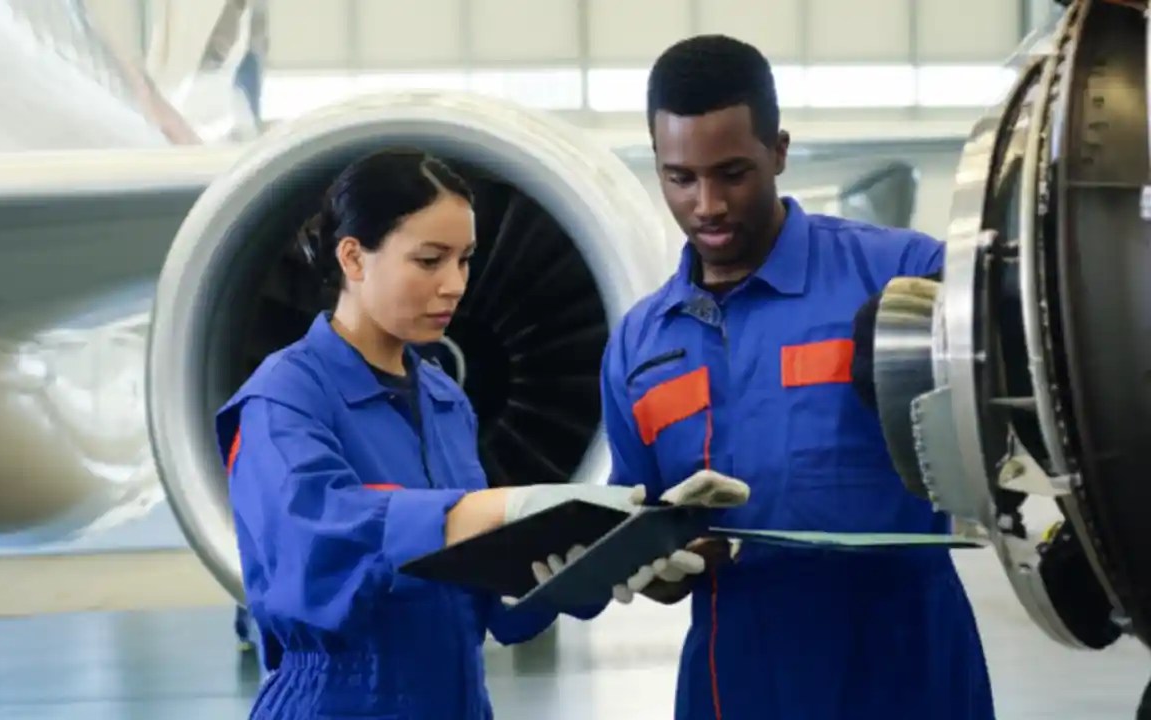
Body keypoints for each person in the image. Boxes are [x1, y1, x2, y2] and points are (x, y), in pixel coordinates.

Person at [212, 147, 737, 719]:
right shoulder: (283, 397)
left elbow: (494, 603)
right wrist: (505, 509)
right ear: (353, 258)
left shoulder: (444, 400)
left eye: (464, 260)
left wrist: (610, 552)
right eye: (430, 260)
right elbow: (319, 541)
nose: (455, 284)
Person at [592, 35, 995, 720]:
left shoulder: (905, 279)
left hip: (909, 674)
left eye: (732, 173)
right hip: (735, 683)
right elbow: (640, 529)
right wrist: (651, 566)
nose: (708, 205)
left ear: (779, 151)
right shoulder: (639, 344)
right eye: (680, 179)